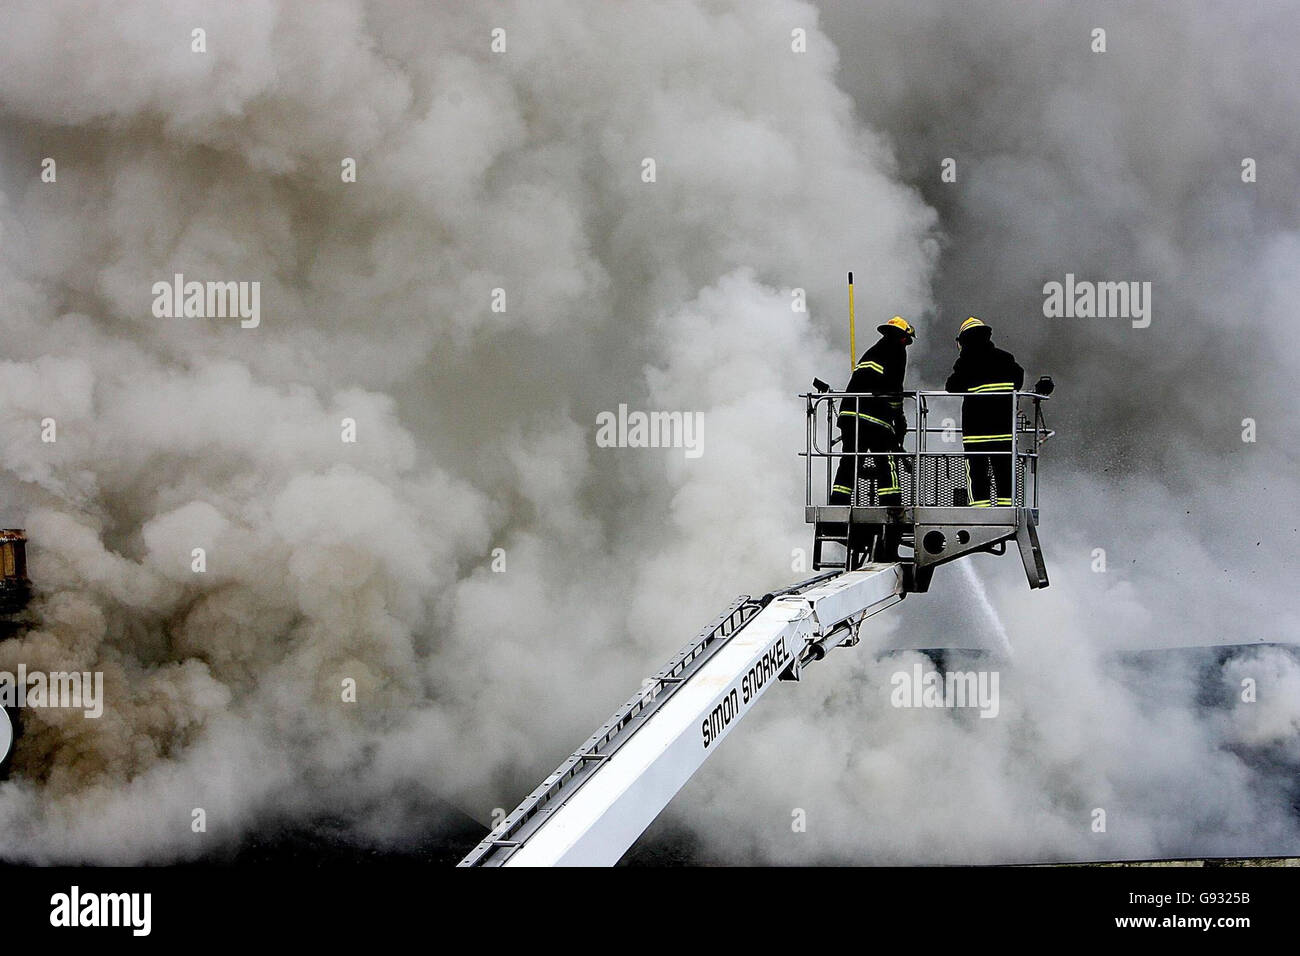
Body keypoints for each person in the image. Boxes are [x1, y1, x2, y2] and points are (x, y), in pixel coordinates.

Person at [830, 315, 915, 507]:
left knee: (849, 462)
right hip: (875, 418)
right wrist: (899, 421)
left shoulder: (872, 351)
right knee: (886, 462)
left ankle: (837, 507)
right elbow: (894, 389)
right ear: (902, 337)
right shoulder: (897, 351)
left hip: (850, 417)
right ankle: (892, 507)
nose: (906, 344)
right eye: (906, 340)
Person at [945, 316, 1024, 507]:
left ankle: (980, 511)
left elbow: (951, 386)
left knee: (977, 473)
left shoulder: (965, 361)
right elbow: (1018, 379)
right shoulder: (1006, 358)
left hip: (976, 432)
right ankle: (1006, 508)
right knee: (1004, 471)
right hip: (1003, 430)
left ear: (963, 340)